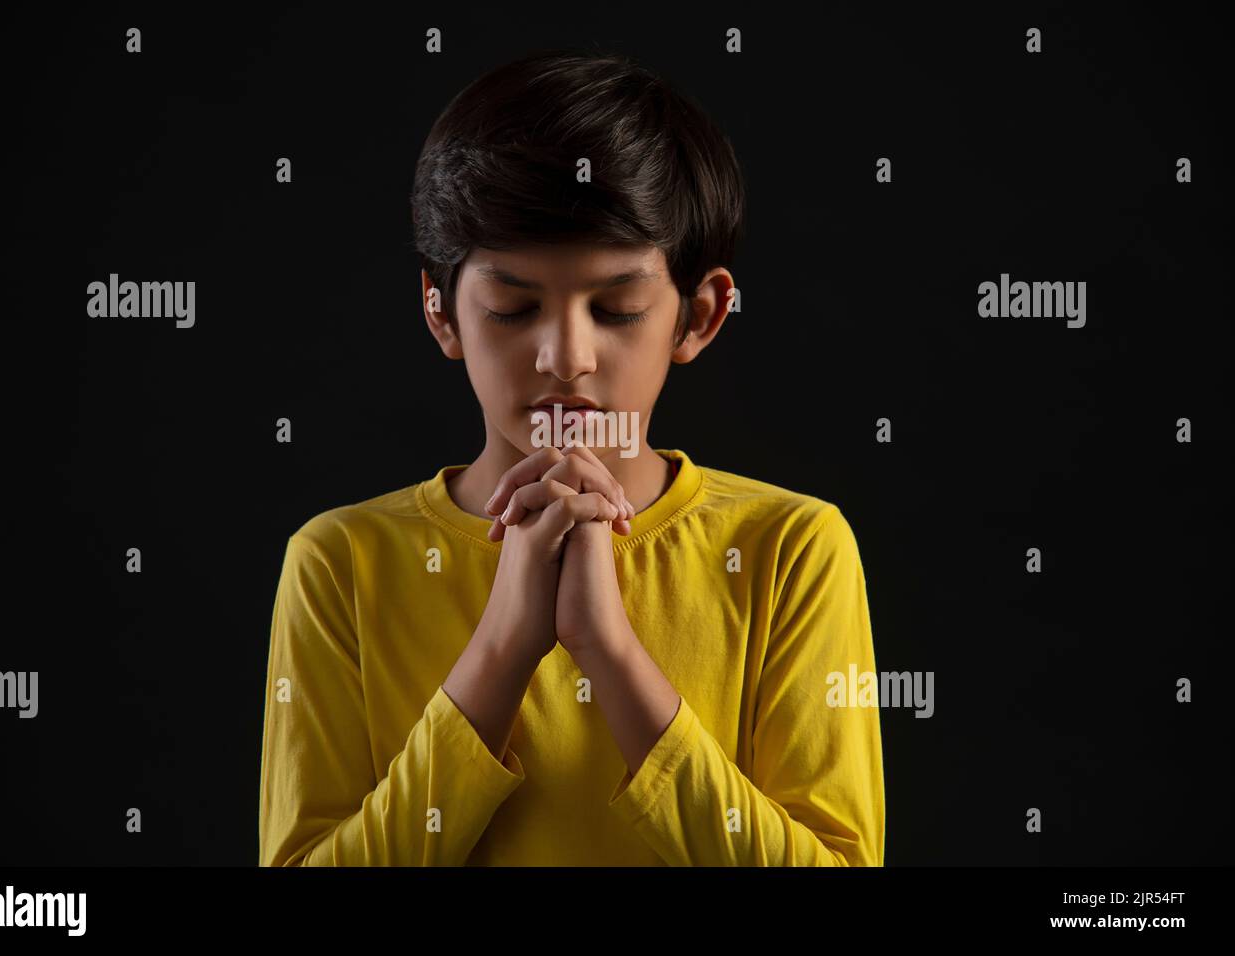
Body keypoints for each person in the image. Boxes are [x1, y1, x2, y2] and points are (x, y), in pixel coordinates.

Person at [258, 49, 884, 866]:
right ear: (441, 314)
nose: (565, 356)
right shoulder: (340, 561)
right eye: (513, 308)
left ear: (700, 316)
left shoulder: (792, 548)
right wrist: (503, 646)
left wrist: (611, 652)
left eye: (617, 310)